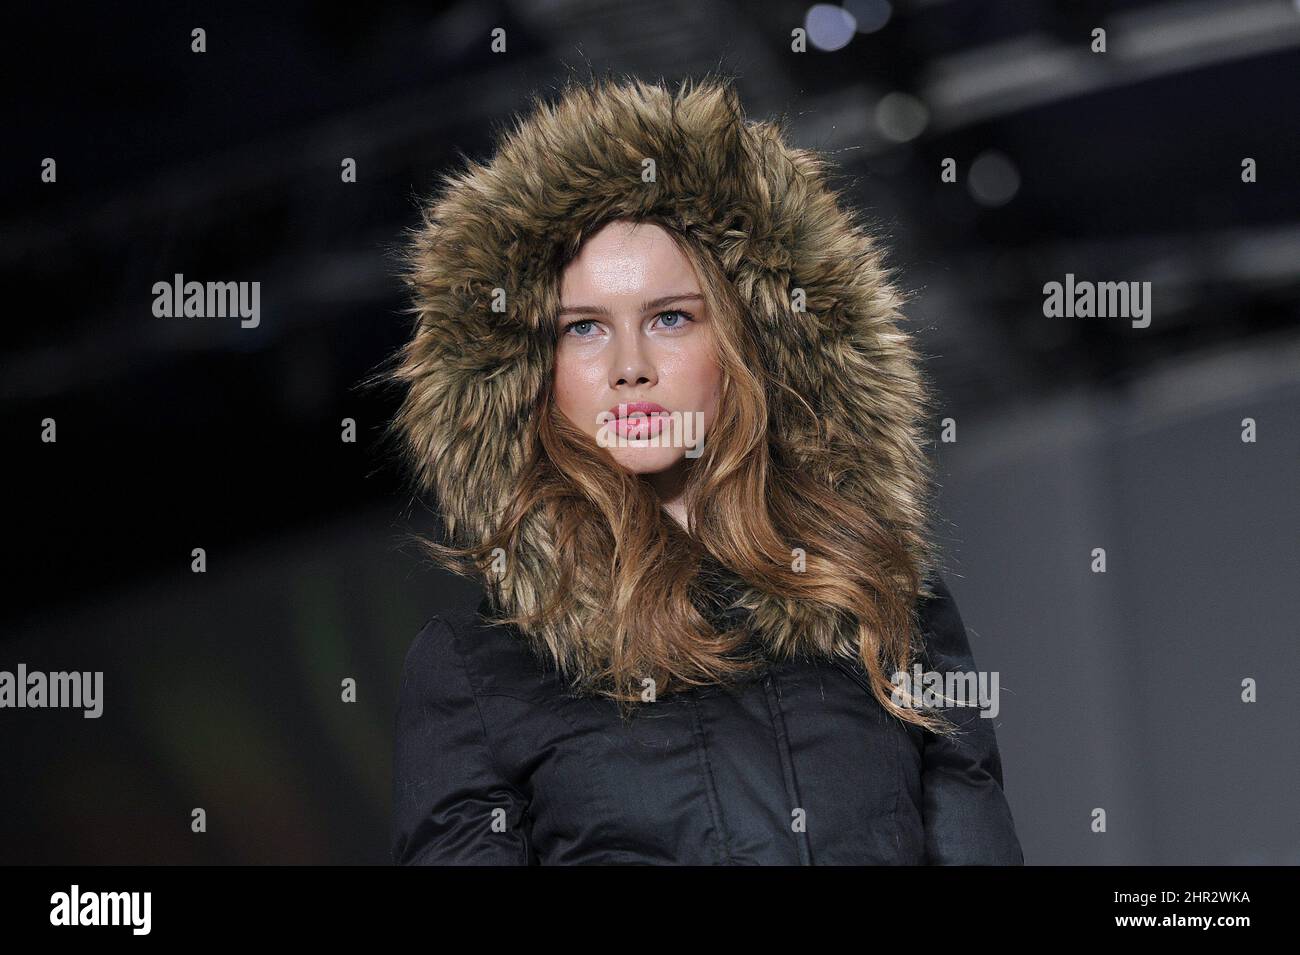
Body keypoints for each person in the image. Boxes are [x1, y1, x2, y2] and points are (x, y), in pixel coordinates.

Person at [381, 72, 1024, 864]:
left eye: (671, 317)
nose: (630, 366)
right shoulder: (481, 673)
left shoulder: (884, 605)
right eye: (583, 329)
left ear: (742, 345)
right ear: (530, 374)